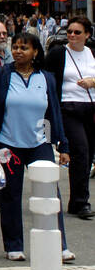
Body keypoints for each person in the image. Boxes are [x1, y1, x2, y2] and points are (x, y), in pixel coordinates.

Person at [0, 31, 75, 263]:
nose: (18, 51)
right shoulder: (2, 76)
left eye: (24, 48)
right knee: (10, 196)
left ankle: (60, 246)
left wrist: (62, 145)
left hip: (39, 144)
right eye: (16, 47)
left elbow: (53, 114)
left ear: (35, 52)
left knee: (50, 194)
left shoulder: (47, 78)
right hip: (8, 145)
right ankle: (14, 245)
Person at [44, 14, 95, 219]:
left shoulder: (92, 53)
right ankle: (82, 202)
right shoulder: (58, 53)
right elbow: (48, 80)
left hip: (90, 107)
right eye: (70, 32)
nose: (72, 36)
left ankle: (76, 202)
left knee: (89, 154)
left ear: (87, 35)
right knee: (81, 151)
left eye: (77, 32)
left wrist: (93, 81)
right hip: (68, 108)